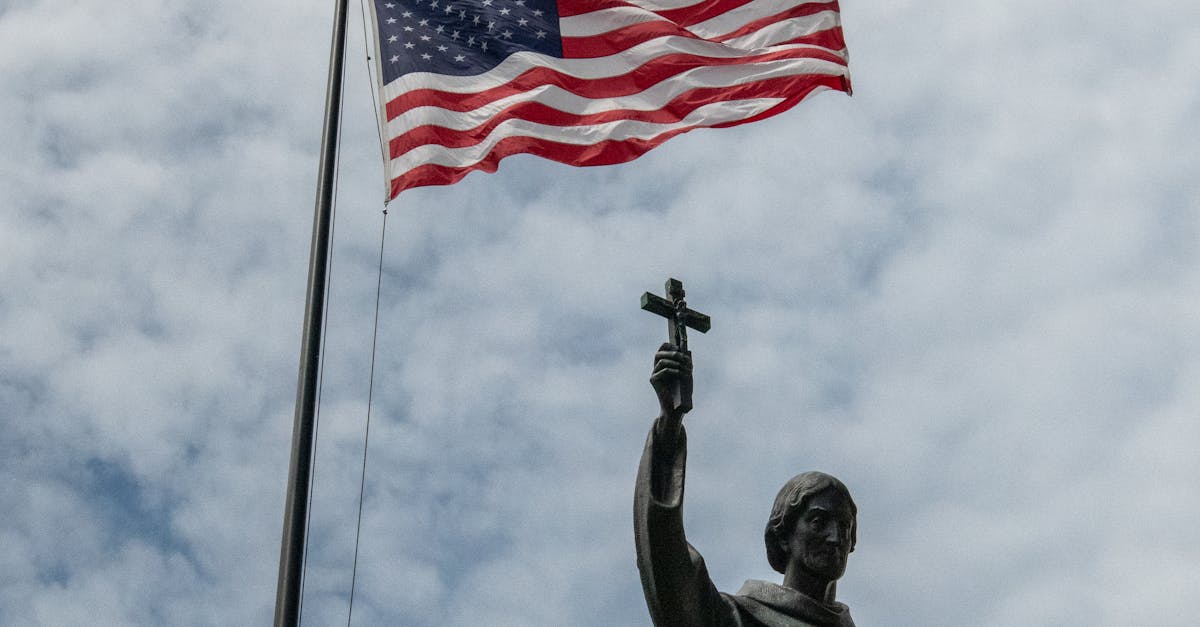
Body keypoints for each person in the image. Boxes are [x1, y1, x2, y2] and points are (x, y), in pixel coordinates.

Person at [634, 343, 858, 627]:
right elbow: (668, 566)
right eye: (818, 522)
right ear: (782, 537)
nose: (835, 537)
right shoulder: (736, 619)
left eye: (845, 527)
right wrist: (669, 426)